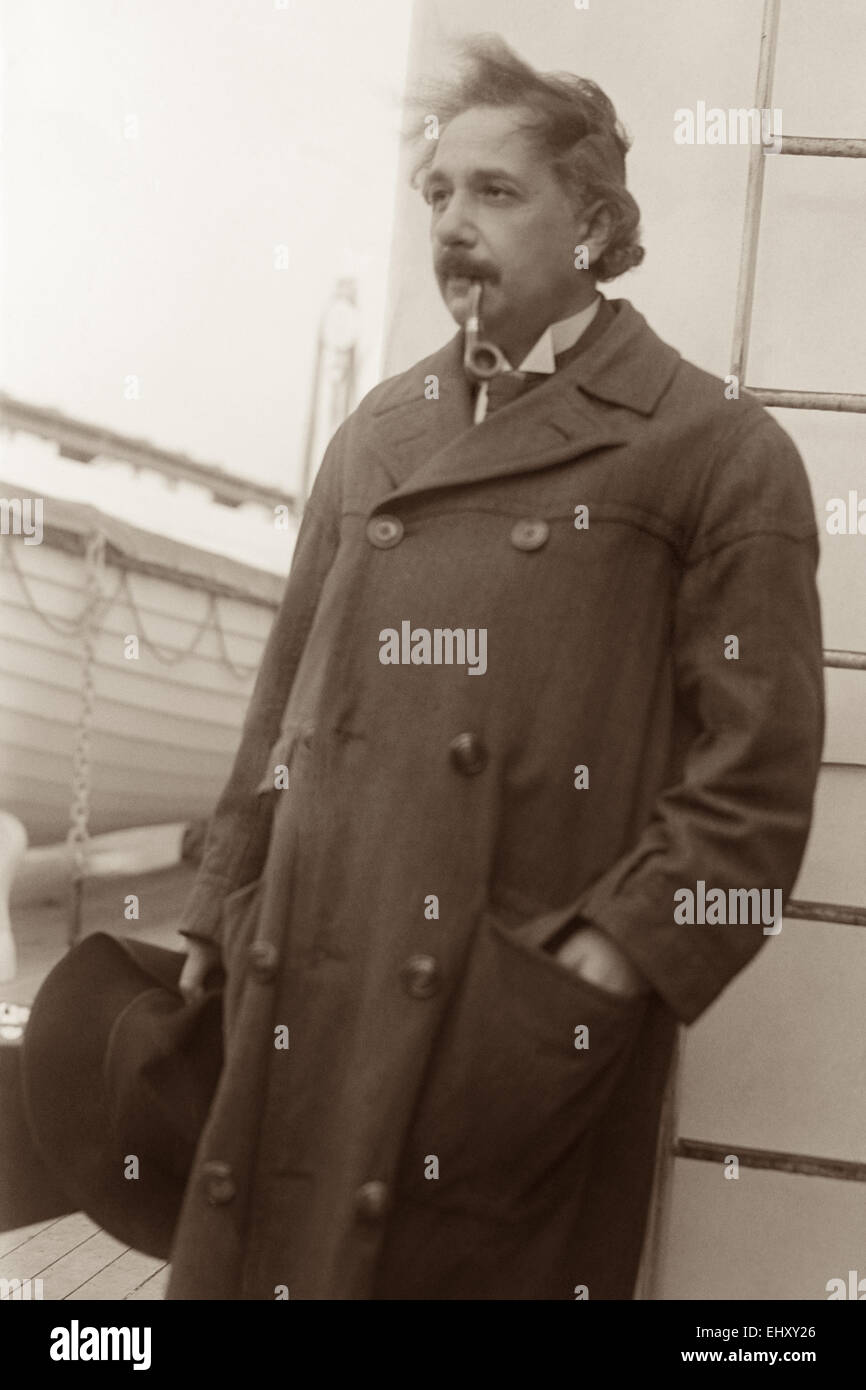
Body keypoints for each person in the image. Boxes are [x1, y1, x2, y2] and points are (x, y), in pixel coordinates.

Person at [174, 36, 824, 1300]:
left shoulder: (711, 448)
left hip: (505, 1014)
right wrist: (218, 911)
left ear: (590, 221)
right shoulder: (381, 430)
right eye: (436, 193)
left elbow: (753, 789)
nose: (452, 225)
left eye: (494, 192)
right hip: (307, 975)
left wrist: (606, 969)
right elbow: (280, 700)